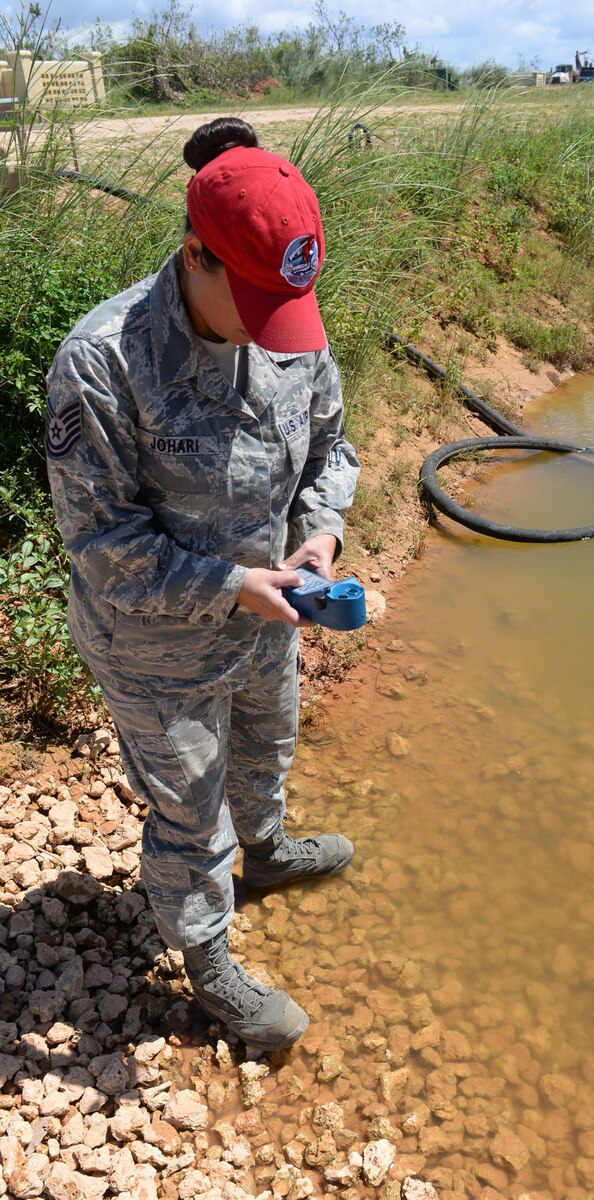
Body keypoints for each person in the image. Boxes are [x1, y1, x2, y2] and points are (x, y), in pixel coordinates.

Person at [45, 117, 361, 1052]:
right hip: (157, 645)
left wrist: (320, 537)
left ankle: (260, 855)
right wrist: (230, 584)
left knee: (268, 747)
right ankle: (208, 959)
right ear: (197, 256)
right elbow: (99, 540)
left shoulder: (287, 321)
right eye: (254, 304)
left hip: (270, 618)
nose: (274, 335)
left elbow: (330, 450)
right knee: (189, 804)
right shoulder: (103, 361)